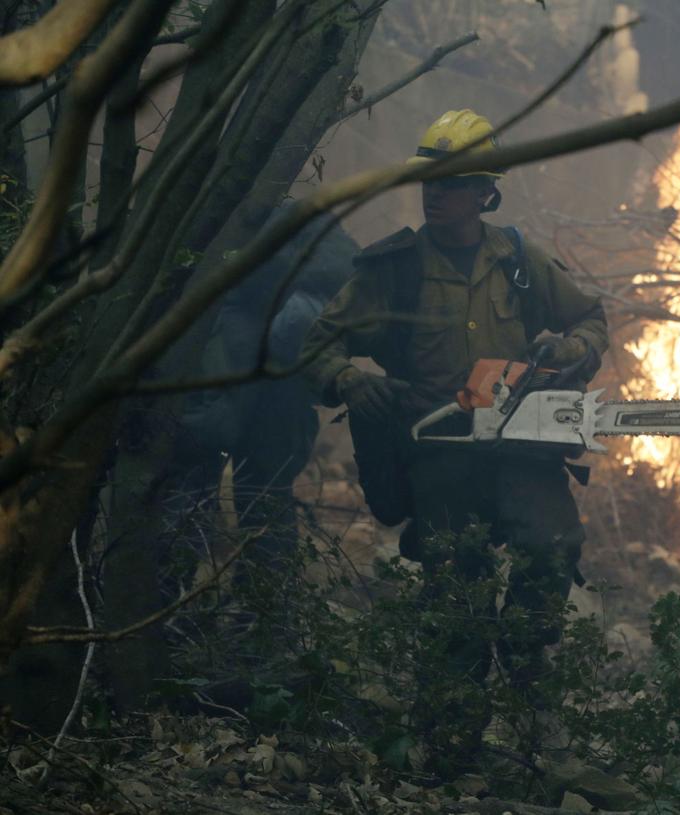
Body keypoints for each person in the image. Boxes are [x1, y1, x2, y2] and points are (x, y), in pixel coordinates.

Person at [301, 109, 609, 773]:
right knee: (456, 591)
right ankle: (451, 740)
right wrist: (349, 378)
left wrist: (569, 349)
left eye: (450, 183)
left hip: (523, 445)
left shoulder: (521, 261)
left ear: (484, 193)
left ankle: (530, 690)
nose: (433, 194)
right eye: (428, 183)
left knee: (553, 546)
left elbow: (589, 318)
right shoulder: (394, 269)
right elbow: (318, 342)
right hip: (439, 450)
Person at [182, 209, 358, 573]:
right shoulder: (205, 210)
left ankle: (257, 620)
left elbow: (346, 268)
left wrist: (263, 270)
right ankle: (178, 611)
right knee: (192, 501)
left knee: (257, 506)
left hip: (268, 395)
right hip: (218, 388)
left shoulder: (292, 216)